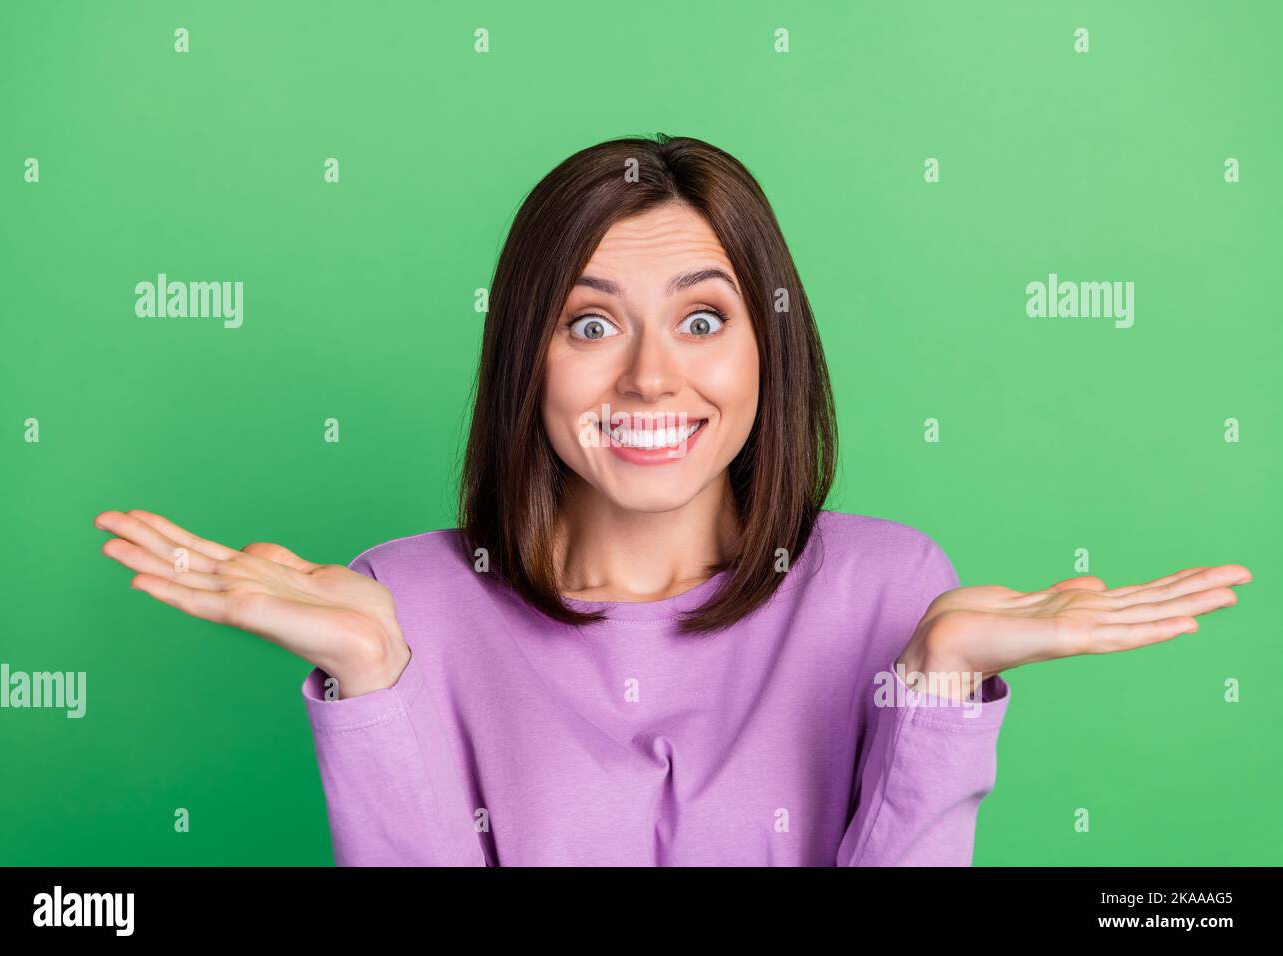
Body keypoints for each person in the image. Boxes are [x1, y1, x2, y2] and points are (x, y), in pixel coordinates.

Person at [94, 134, 1250, 866]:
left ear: (768, 348)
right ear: (525, 358)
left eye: (702, 319)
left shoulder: (889, 589)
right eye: (590, 323)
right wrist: (370, 677)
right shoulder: (404, 603)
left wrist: (938, 682)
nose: (651, 377)